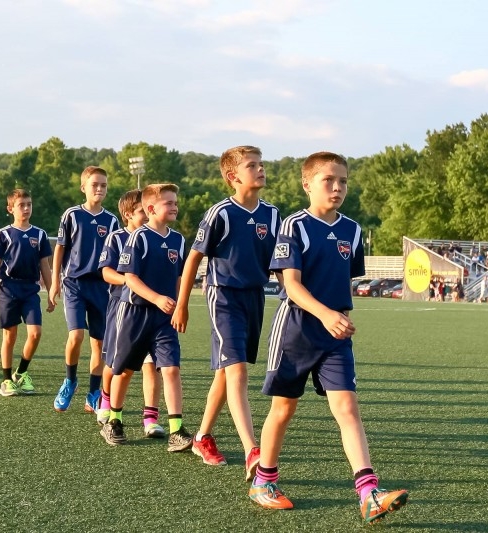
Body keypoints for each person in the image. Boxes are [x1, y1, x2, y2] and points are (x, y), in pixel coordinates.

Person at [248, 152, 408, 524]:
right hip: (296, 330)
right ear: (307, 184)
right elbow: (290, 285)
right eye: (328, 181)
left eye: (343, 181)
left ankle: (369, 494)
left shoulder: (352, 230)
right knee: (284, 409)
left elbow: (345, 280)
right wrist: (326, 314)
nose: (337, 188)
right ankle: (263, 481)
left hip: (335, 337)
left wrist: (340, 319)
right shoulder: (295, 226)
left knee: (347, 408)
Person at [172, 145, 281, 480]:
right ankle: (253, 450)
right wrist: (182, 303)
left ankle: (202, 436)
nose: (260, 169)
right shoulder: (220, 212)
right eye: (252, 165)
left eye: (261, 164)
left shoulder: (273, 214)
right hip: (223, 297)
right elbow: (193, 258)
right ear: (234, 176)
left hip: (255, 297)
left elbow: (280, 263)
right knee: (237, 373)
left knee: (225, 372)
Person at [99, 184, 192, 453]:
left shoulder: (178, 240)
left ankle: (176, 429)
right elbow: (129, 278)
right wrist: (156, 298)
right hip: (135, 314)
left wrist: (178, 305)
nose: (175, 206)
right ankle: (114, 420)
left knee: (171, 368)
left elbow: (178, 277)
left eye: (175, 201)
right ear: (151, 209)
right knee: (125, 370)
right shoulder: (137, 237)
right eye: (168, 203)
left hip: (164, 318)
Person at [95, 189, 165, 438]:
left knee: (151, 365)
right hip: (121, 306)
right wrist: (130, 279)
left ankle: (150, 418)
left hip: (151, 309)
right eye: (141, 212)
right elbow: (106, 272)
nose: (147, 216)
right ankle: (105, 402)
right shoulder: (116, 237)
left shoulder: (156, 236)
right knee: (115, 362)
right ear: (128, 214)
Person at [50, 166, 119, 412]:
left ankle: (93, 392)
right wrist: (55, 281)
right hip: (74, 284)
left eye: (103, 185)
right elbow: (60, 248)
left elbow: (115, 253)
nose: (99, 189)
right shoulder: (71, 215)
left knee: (98, 344)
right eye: (94, 185)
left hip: (102, 288)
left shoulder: (111, 220)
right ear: (83, 188)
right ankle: (70, 381)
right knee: (76, 335)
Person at [0, 189, 55, 396]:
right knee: (10, 335)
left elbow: (45, 267)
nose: (26, 208)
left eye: (29, 204)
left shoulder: (39, 234)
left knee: (35, 333)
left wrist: (51, 292)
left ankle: (21, 373)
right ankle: (6, 381)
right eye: (21, 205)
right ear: (10, 209)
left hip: (31, 290)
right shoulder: (4, 234)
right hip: (8, 289)